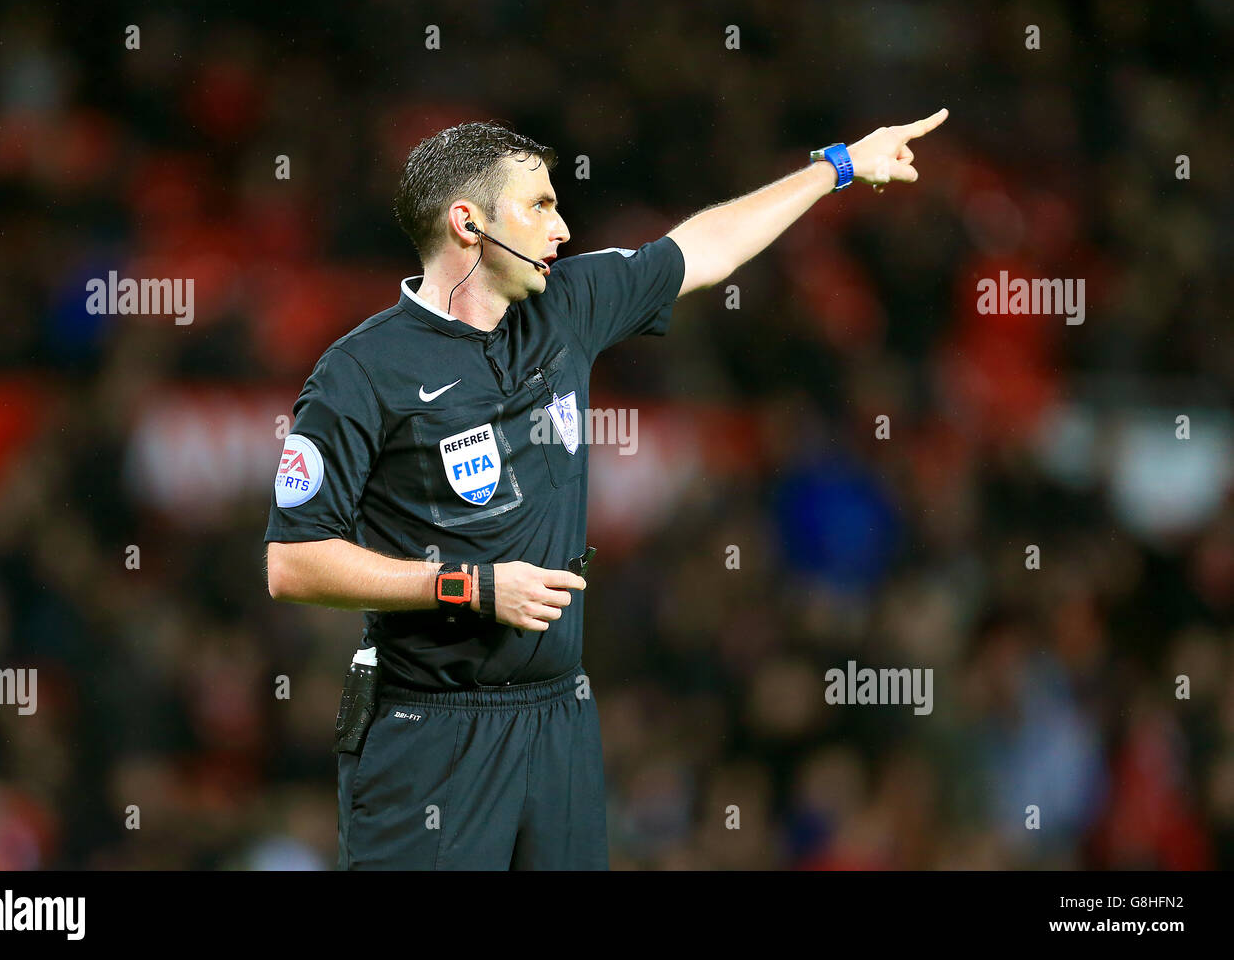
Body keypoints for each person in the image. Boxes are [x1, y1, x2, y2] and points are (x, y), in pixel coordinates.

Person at [265, 111, 948, 870]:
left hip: (560, 720)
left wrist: (840, 166)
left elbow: (703, 250)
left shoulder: (567, 307)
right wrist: (466, 585)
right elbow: (293, 563)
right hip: (430, 734)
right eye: (540, 207)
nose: (561, 227)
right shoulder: (361, 373)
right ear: (468, 223)